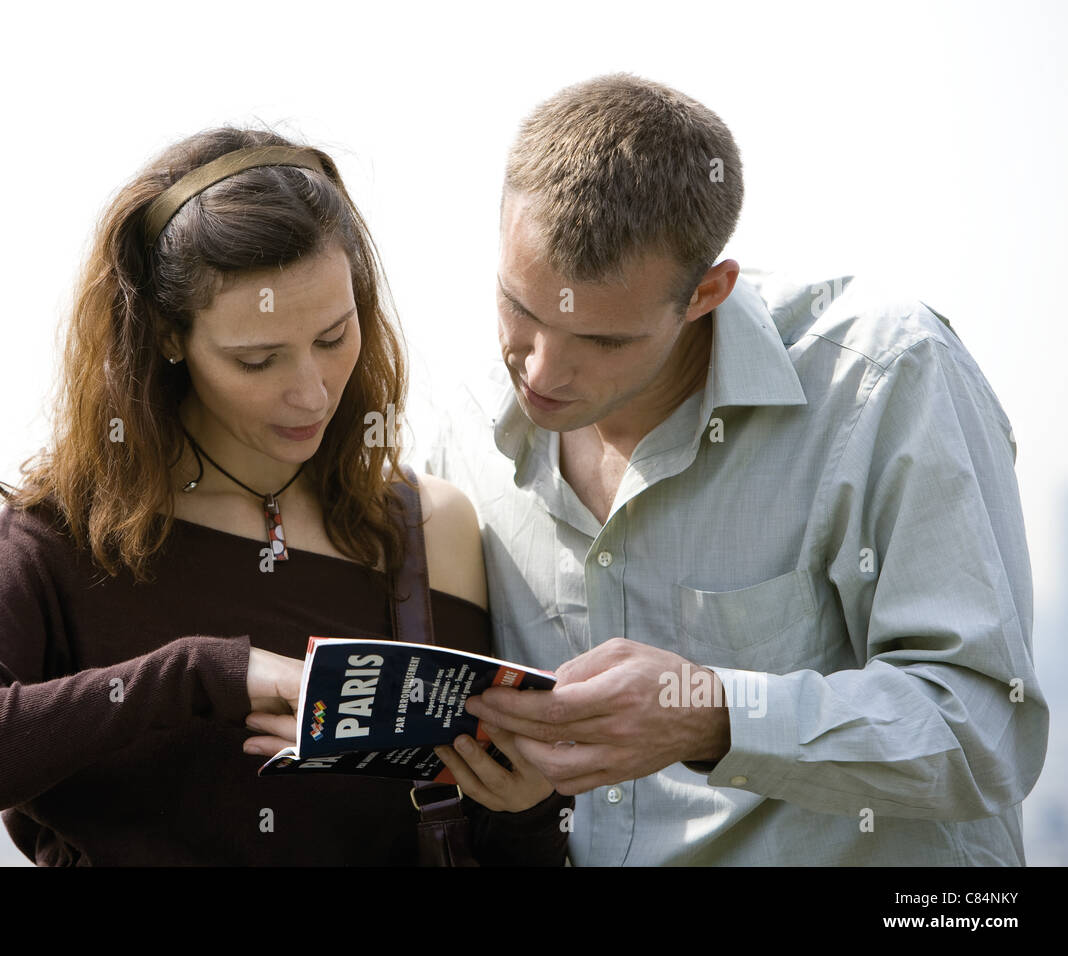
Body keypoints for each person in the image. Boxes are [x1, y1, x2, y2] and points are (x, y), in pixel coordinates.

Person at [0, 127, 570, 866]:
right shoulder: (64, 535)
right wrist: (197, 676)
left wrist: (529, 809)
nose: (311, 391)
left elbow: (495, 844)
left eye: (333, 335)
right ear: (166, 336)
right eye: (257, 359)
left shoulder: (426, 529)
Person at [416, 74, 1048, 865]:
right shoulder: (461, 430)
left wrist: (714, 713)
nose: (542, 371)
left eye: (605, 342)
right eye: (520, 308)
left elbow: (987, 728)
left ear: (707, 293)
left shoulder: (890, 378)